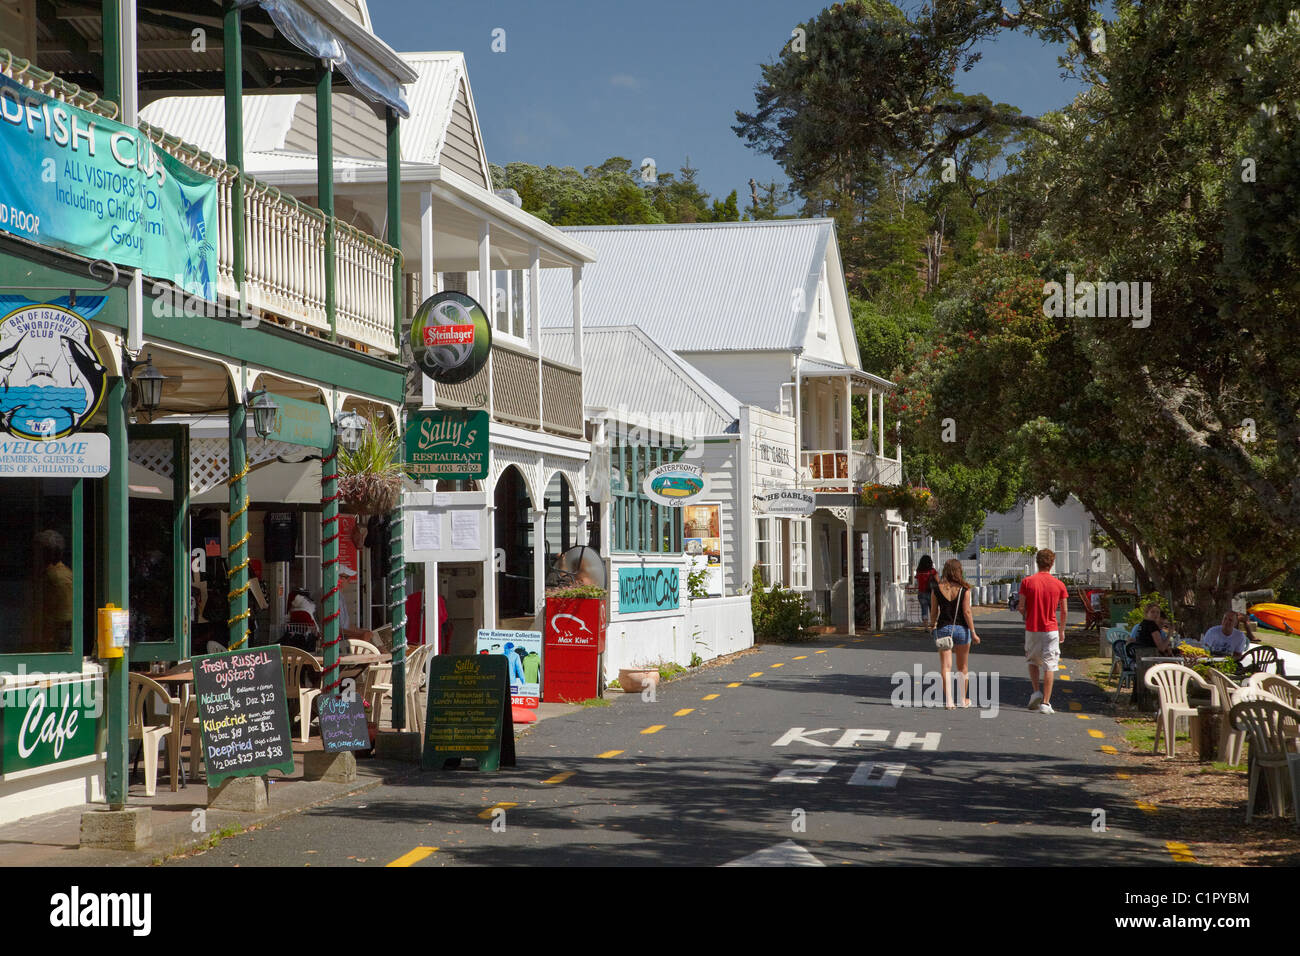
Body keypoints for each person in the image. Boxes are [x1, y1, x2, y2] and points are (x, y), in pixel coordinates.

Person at [1018, 548, 1069, 714]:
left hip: (1032, 627)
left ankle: (1036, 691)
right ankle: (1046, 703)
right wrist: (1062, 630)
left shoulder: (1027, 582)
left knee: (1032, 660)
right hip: (1051, 628)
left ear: (1037, 562)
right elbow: (1064, 610)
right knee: (1050, 664)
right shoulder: (1059, 584)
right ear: (1052, 563)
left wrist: (1026, 615)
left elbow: (1021, 606)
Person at [927, 558, 980, 709]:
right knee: (962, 666)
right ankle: (963, 699)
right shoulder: (964, 589)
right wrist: (973, 632)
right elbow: (967, 612)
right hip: (962, 629)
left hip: (944, 628)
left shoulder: (936, 589)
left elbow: (934, 611)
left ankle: (949, 701)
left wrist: (932, 625)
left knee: (946, 666)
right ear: (959, 571)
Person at [915, 555, 938, 626]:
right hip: (932, 593)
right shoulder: (933, 571)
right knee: (933, 609)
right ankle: (933, 625)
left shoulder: (918, 571)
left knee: (924, 610)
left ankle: (925, 626)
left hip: (921, 593)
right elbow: (938, 582)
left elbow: (917, 582)